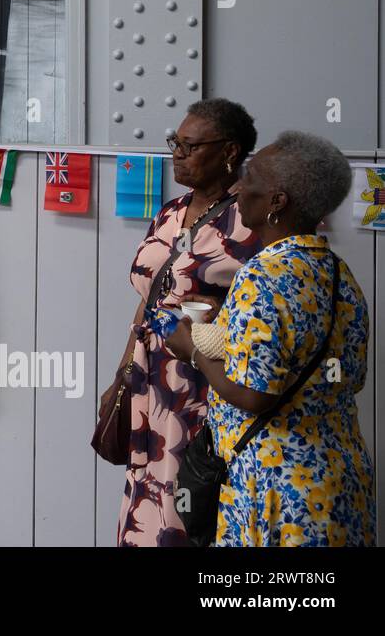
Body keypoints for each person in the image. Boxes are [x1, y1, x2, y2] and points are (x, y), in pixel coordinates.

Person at [167, 131, 376, 546]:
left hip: (276, 490)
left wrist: (192, 351)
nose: (238, 187)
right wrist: (226, 327)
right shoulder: (337, 273)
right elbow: (340, 375)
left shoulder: (263, 276)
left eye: (250, 177)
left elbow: (254, 395)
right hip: (339, 483)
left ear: (277, 201)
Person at [107, 98, 261, 546]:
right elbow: (148, 300)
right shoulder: (170, 212)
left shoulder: (250, 221)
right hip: (150, 378)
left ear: (229, 151)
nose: (177, 154)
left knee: (191, 494)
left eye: (190, 146)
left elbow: (266, 309)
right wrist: (123, 372)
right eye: (176, 142)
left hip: (204, 382)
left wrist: (220, 312)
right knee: (148, 489)